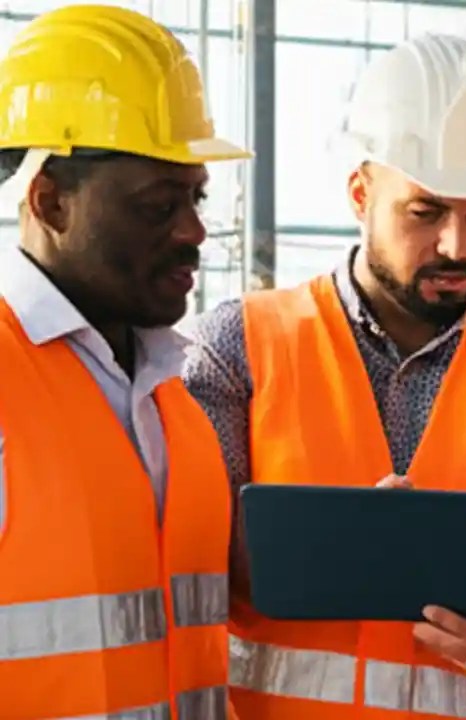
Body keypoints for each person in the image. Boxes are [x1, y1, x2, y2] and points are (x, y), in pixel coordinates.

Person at [182, 32, 466, 719]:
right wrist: (350, 549)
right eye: (425, 212)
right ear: (360, 193)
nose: (458, 246)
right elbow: (191, 559)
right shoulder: (237, 348)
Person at [0, 5, 249, 718]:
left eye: (196, 197)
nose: (194, 231)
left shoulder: (174, 398)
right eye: (156, 205)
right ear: (50, 202)